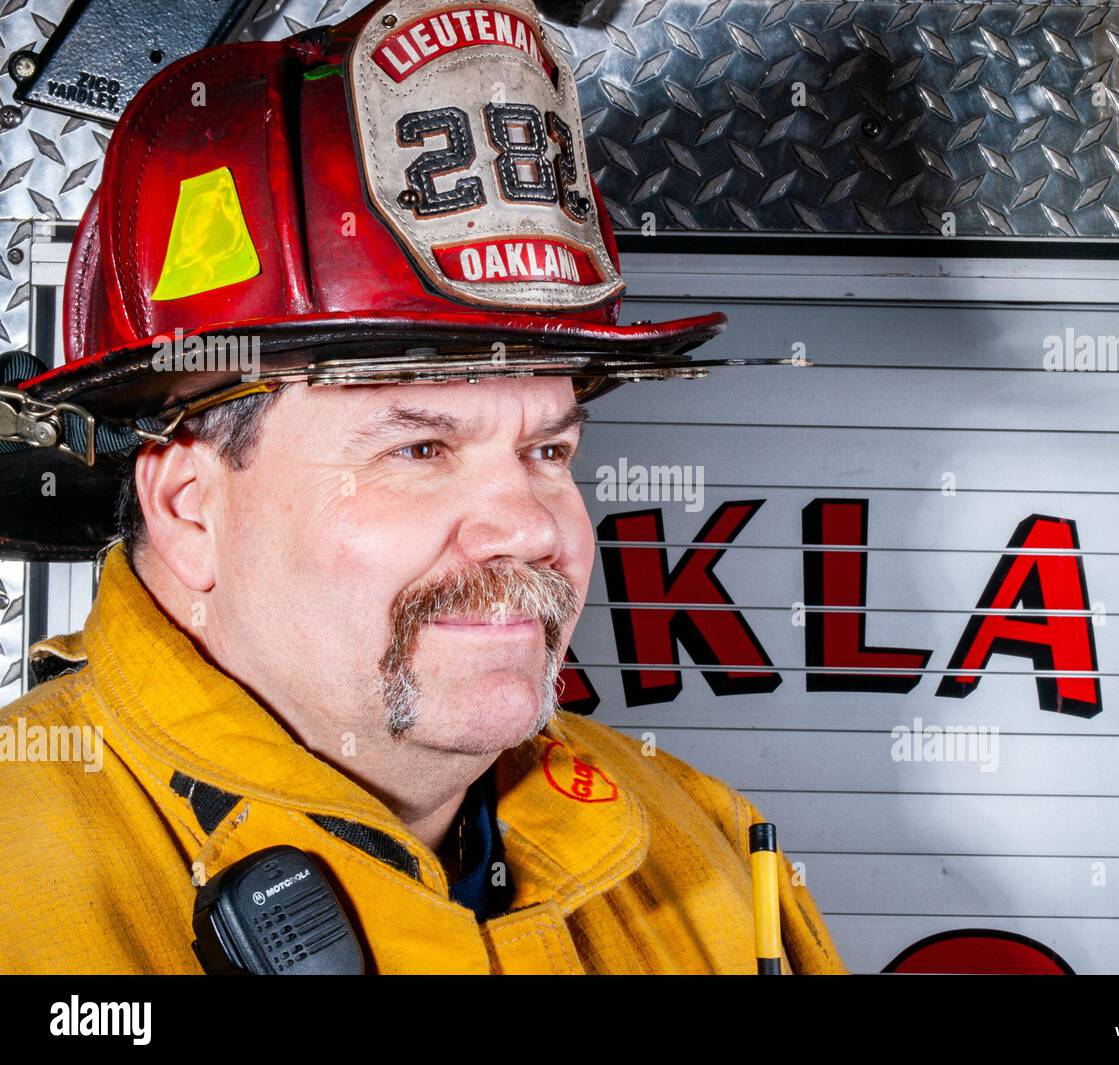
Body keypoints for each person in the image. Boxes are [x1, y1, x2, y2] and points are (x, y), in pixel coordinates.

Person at [0, 0, 846, 974]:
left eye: (548, 452)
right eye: (421, 451)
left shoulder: (699, 846)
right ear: (193, 508)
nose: (531, 530)